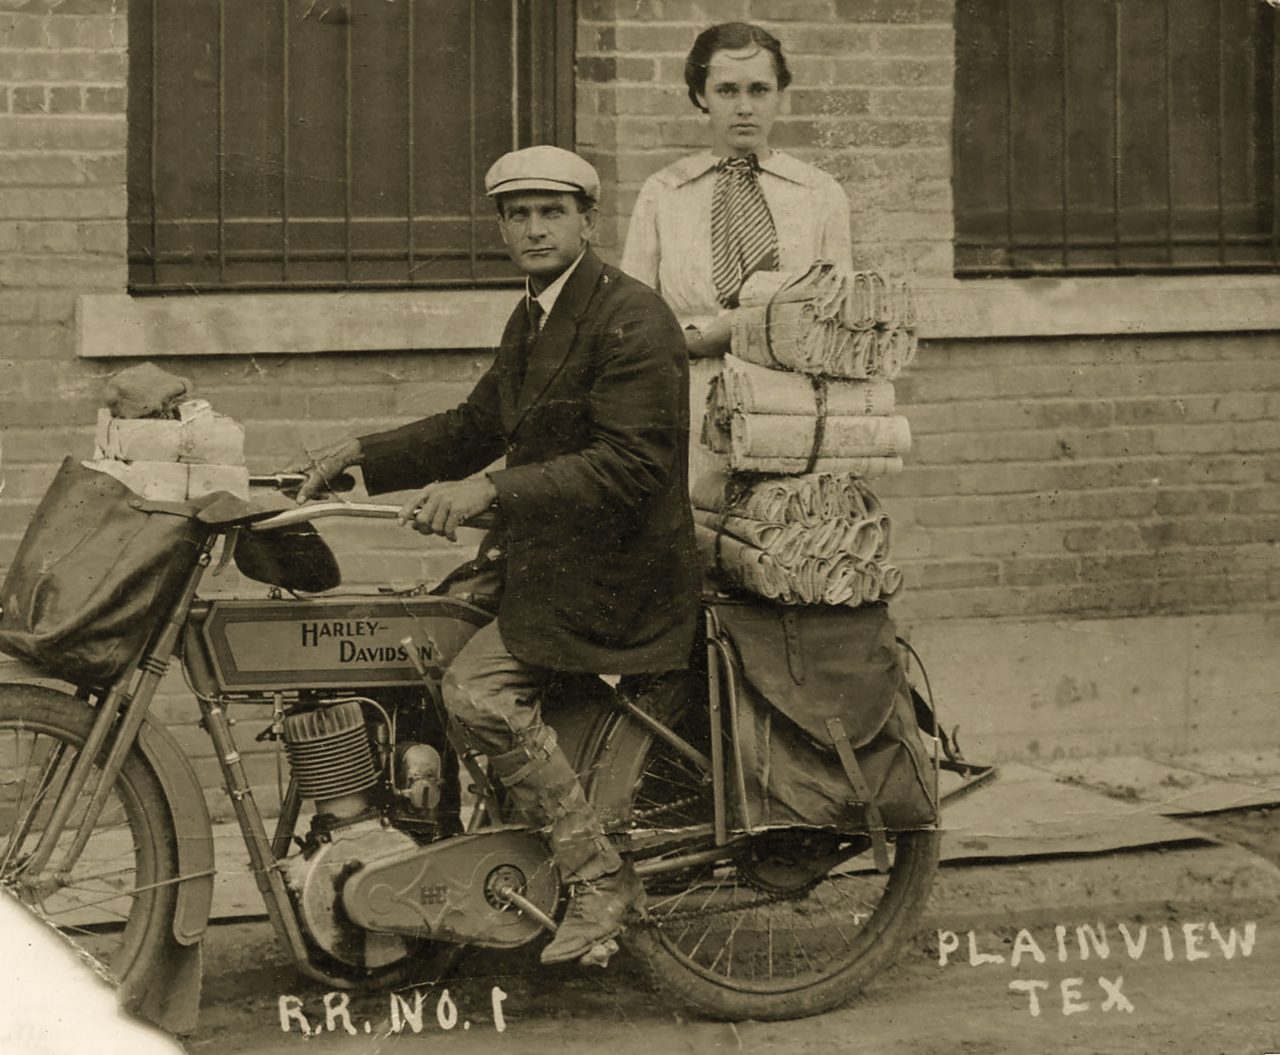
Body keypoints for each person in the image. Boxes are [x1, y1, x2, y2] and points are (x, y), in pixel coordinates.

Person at [296, 145, 700, 964]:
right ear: (501, 227)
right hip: (550, 554)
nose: (534, 227)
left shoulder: (632, 317)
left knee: (477, 692)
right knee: (412, 641)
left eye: (552, 211)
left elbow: (632, 465)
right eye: (518, 214)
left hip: (619, 571)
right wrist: (361, 454)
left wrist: (490, 492)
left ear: (589, 219)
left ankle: (596, 877)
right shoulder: (537, 312)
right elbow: (475, 424)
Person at [620, 22, 854, 478]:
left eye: (759, 90)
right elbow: (631, 320)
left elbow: (841, 317)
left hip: (792, 402)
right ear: (700, 96)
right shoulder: (664, 193)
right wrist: (697, 341)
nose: (744, 107)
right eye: (727, 90)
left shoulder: (819, 193)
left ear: (779, 95)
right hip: (687, 398)